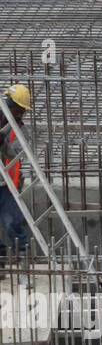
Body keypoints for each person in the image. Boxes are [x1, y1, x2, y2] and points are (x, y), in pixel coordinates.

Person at [0, 83, 32, 258]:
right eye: (18, 110)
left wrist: (2, 144)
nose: (21, 114)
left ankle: (23, 254)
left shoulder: (21, 131)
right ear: (8, 105)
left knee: (12, 221)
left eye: (23, 111)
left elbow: (15, 156)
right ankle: (1, 258)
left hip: (6, 183)